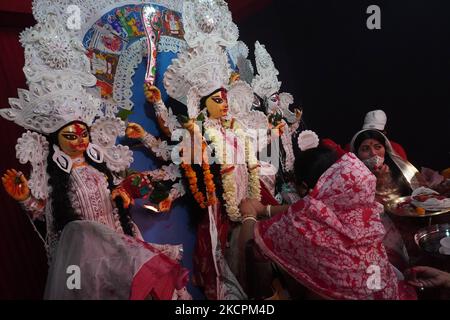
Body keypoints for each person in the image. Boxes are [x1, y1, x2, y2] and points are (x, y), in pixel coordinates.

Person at [0, 16, 190, 300]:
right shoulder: (56, 173)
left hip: (120, 244)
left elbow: (118, 194)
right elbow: (47, 216)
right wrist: (26, 198)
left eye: (83, 134)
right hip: (87, 261)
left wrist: (124, 194)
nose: (80, 140)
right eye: (71, 136)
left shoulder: (99, 166)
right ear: (56, 140)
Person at [239, 133, 417, 299]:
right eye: (365, 148)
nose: (373, 153)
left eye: (378, 146)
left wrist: (249, 215)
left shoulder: (300, 221)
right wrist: (266, 210)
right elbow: (307, 206)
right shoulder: (352, 193)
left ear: (302, 187)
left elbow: (253, 248)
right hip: (386, 290)